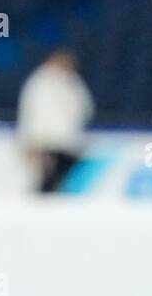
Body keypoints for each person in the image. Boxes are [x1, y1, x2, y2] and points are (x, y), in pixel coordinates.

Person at [16, 47, 94, 193]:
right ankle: (41, 203)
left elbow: (85, 109)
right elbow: (30, 113)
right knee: (47, 176)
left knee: (59, 176)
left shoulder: (73, 83)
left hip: (66, 141)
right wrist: (28, 139)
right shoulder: (39, 82)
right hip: (45, 139)